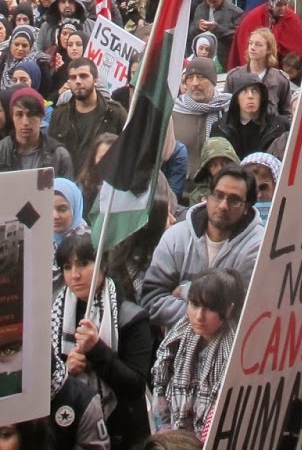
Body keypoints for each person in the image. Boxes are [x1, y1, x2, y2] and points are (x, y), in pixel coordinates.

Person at [53, 231, 156, 450]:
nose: (75, 275)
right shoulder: (54, 315)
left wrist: (97, 349)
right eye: (67, 267)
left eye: (83, 264)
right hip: (70, 427)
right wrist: (65, 370)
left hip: (121, 430)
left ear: (103, 265)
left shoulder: (131, 317)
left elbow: (135, 386)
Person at [140, 163, 262, 329]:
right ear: (208, 197)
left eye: (234, 200)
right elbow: (151, 299)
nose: (223, 206)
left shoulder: (257, 248)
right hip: (175, 350)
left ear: (247, 207)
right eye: (218, 195)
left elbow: (244, 314)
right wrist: (201, 317)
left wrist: (185, 290)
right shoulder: (175, 238)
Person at [150, 267, 245, 442]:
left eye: (209, 308)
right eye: (194, 304)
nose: (199, 316)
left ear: (228, 309)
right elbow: (160, 388)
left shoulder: (234, 353)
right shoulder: (176, 338)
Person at [49, 57, 129, 177]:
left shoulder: (115, 113)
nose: (78, 81)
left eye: (83, 76)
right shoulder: (59, 114)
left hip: (100, 186)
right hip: (68, 186)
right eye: (73, 77)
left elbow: (126, 153)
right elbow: (51, 154)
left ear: (95, 80)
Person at [0, 89, 74, 177]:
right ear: (12, 117)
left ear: (41, 117)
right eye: (19, 115)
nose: (25, 122)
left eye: (31, 115)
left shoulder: (59, 155)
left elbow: (66, 191)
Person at [228, 0, 302, 68]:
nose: (283, 8)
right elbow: (245, 48)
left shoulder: (290, 17)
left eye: (286, 4)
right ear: (270, 2)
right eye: (279, 4)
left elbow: (301, 49)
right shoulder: (254, 18)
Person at [208, 75, 289, 161]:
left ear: (261, 96)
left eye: (255, 90)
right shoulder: (221, 128)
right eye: (244, 91)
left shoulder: (280, 125)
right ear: (236, 99)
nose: (250, 96)